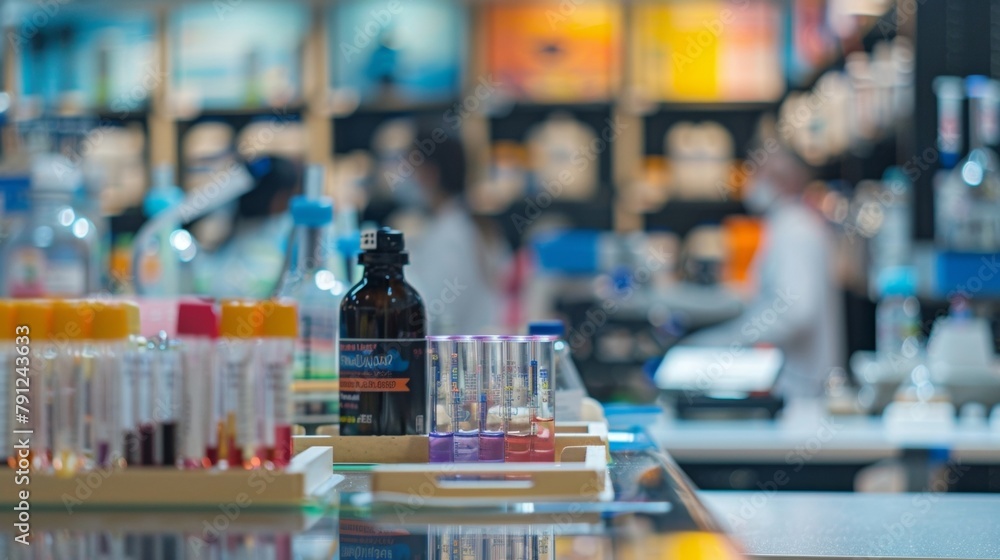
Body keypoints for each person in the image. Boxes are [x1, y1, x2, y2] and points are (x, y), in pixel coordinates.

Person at [683, 144, 844, 401]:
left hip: (800, 388)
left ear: (785, 179)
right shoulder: (785, 225)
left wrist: (729, 341)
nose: (751, 183)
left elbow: (796, 312)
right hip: (792, 383)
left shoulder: (795, 230)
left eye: (759, 173)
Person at [388, 123, 510, 334]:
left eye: (410, 167)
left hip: (456, 360)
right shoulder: (466, 225)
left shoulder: (449, 238)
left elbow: (432, 316)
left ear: (430, 173)